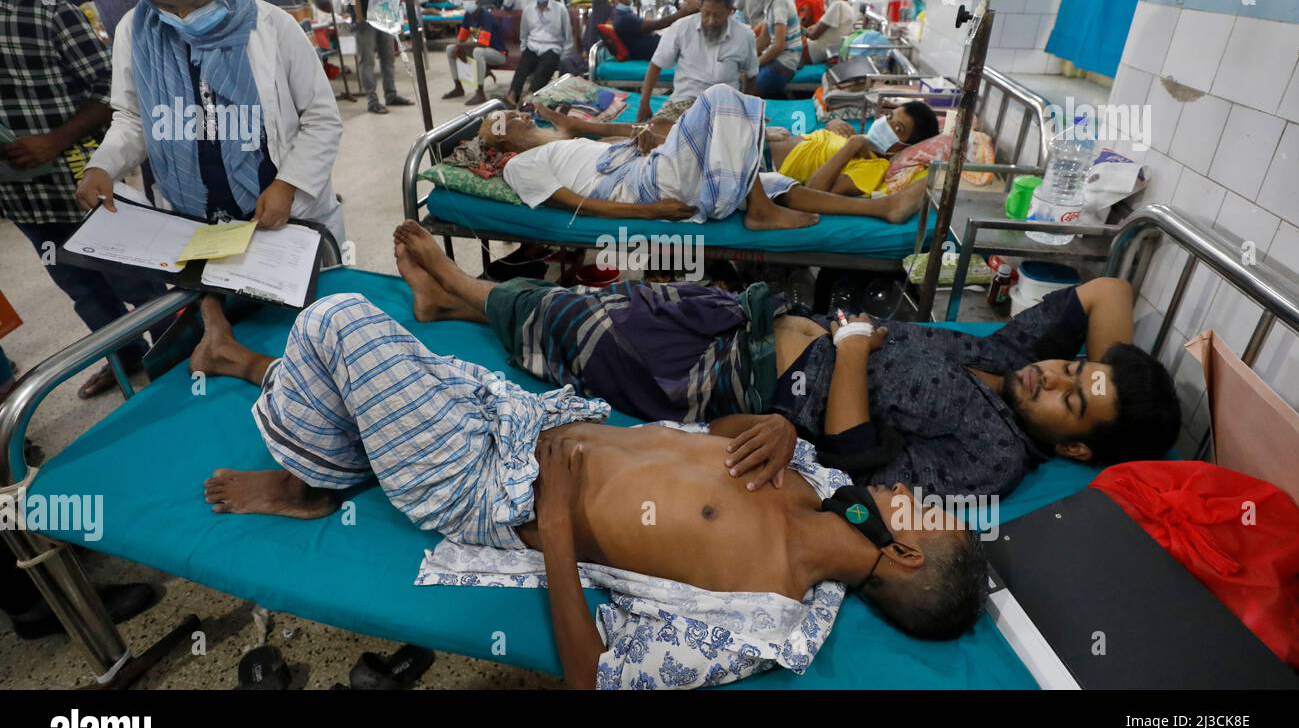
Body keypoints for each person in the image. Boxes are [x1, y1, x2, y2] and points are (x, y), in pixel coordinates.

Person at [193, 268, 986, 688]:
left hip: (478, 484)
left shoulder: (762, 616)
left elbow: (589, 677)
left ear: (904, 555)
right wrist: (770, 424)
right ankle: (244, 367)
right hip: (523, 416)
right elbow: (702, 440)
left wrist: (561, 520)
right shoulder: (813, 480)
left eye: (922, 514)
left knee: (339, 320)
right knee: (387, 370)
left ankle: (313, 483)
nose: (910, 496)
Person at [403, 223, 1182, 500]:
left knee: (580, 326)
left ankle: (460, 284)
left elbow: (853, 454)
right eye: (1075, 371)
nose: (1056, 376)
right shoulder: (1017, 357)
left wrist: (848, 348)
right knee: (620, 297)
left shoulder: (995, 457)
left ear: (1073, 445)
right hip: (756, 321)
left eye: (1072, 401)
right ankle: (454, 304)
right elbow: (1107, 286)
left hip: (741, 384)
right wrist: (1117, 382)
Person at [74, 0, 346, 248]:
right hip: (193, 214)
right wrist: (103, 165)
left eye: (198, 3)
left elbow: (321, 117)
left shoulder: (272, 26)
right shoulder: (136, 33)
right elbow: (133, 118)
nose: (185, 17)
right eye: (168, 7)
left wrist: (288, 185)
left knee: (302, 295)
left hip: (278, 209)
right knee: (216, 297)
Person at [0, 0, 166, 398]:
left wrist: (56, 140)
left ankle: (174, 358)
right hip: (23, 199)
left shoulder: (46, 11)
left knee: (139, 283)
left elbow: (109, 93)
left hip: (83, 185)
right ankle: (122, 356)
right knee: (82, 289)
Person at [493, 84, 927, 229]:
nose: (510, 115)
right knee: (719, 98)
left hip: (645, 169)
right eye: (500, 123)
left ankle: (883, 208)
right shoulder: (519, 165)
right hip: (642, 189)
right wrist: (647, 214)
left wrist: (647, 135)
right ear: (499, 146)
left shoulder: (557, 144)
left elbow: (607, 138)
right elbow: (574, 205)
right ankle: (759, 211)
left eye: (509, 112)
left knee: (773, 182)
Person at [636, 0, 758, 121]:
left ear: (731, 11)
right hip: (683, 103)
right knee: (655, 132)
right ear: (700, 7)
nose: (711, 21)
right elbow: (656, 64)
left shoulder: (745, 35)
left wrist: (749, 112)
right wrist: (644, 103)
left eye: (717, 15)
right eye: (706, 14)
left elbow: (751, 76)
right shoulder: (681, 28)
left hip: (725, 107)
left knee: (738, 139)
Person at [767, 102, 942, 197]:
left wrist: (852, 145)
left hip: (763, 162)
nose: (885, 124)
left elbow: (814, 192)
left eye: (898, 129)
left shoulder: (874, 166)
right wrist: (831, 126)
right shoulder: (859, 138)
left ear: (905, 147)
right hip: (766, 139)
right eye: (889, 117)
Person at [505, 0, 572, 106]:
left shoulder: (560, 9)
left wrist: (564, 56)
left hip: (552, 47)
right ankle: (512, 94)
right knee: (523, 66)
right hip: (533, 46)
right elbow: (524, 34)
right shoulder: (528, 10)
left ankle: (530, 95)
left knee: (545, 68)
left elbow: (567, 36)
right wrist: (525, 49)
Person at [441, 0, 506, 106]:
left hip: (498, 54)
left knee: (477, 51)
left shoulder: (485, 16)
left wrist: (461, 47)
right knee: (450, 49)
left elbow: (483, 44)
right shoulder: (468, 16)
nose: (467, 0)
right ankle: (458, 87)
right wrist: (458, 47)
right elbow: (461, 38)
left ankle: (480, 93)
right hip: (483, 53)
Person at [751, 0, 804, 98]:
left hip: (784, 63)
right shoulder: (771, 0)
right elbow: (764, 39)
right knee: (745, 76)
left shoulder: (779, 2)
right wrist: (747, 57)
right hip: (777, 59)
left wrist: (756, 62)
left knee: (751, 91)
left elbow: (779, 45)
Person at [606, 0, 698, 61]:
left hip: (657, 47)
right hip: (653, 52)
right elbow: (657, 24)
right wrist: (684, 12)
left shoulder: (621, 14)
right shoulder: (623, 19)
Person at [802, 0, 856, 64]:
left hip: (813, 52)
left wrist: (800, 29)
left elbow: (813, 35)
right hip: (827, 52)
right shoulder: (850, 8)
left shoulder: (838, 5)